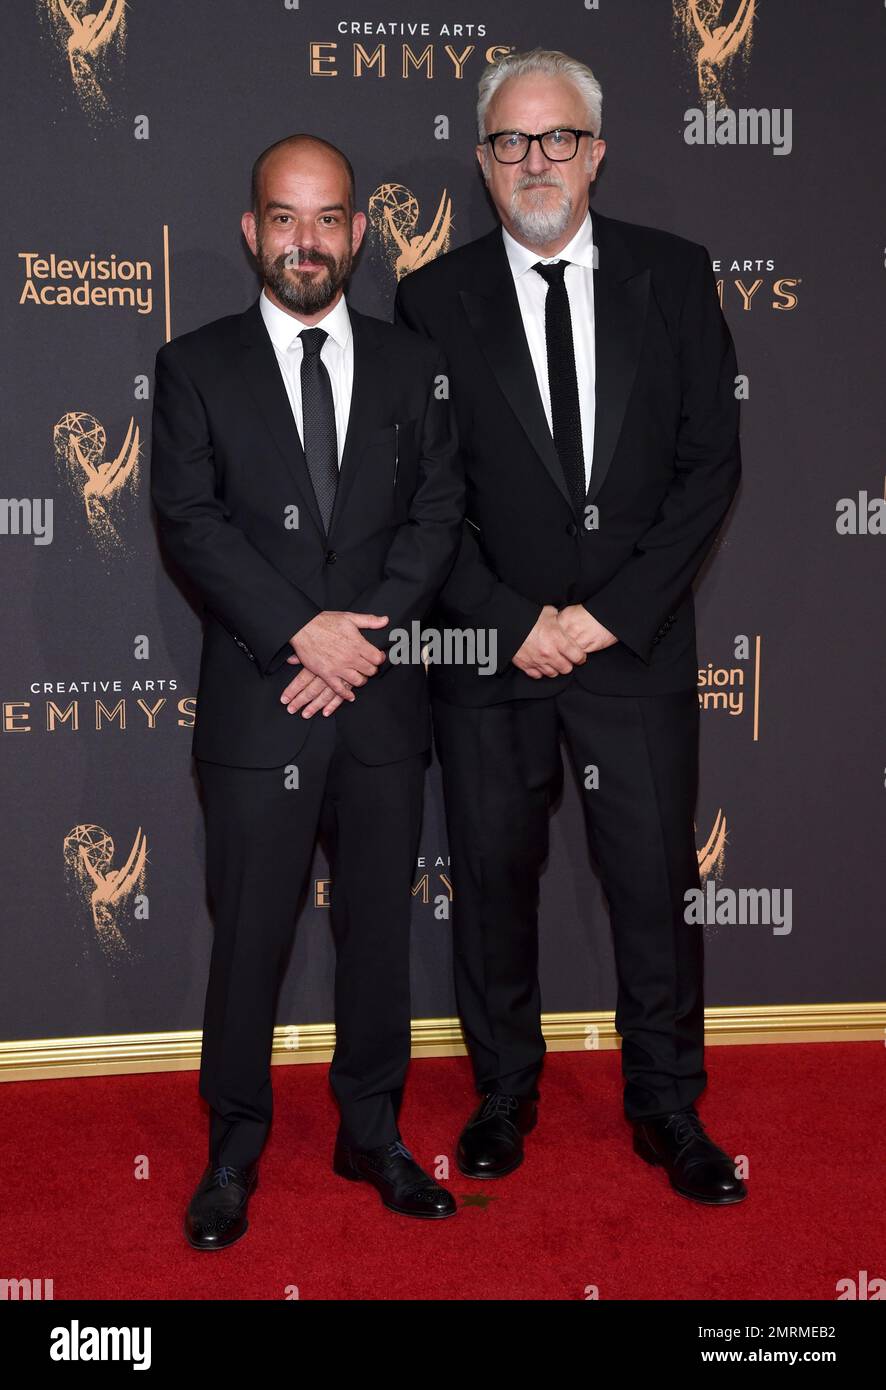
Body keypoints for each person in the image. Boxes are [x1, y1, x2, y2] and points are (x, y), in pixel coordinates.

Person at [394, 48, 746, 1204]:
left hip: (631, 650)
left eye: (556, 140)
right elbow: (426, 498)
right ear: (484, 160)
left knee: (653, 882)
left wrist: (600, 616)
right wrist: (515, 623)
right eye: (508, 142)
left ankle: (666, 1106)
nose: (533, 161)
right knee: (494, 882)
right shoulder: (431, 299)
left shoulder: (676, 275)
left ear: (595, 153)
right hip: (493, 656)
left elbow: (707, 469)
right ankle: (503, 1095)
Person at [150, 133, 464, 1248]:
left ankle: (369, 1132)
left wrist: (357, 643)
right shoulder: (193, 366)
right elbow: (188, 521)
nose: (306, 240)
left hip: (377, 703)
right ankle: (232, 1151)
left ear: (358, 235)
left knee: (378, 932)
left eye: (328, 218)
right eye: (284, 218)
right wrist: (300, 634)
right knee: (249, 942)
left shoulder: (410, 364)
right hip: (257, 705)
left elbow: (437, 516)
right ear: (252, 233)